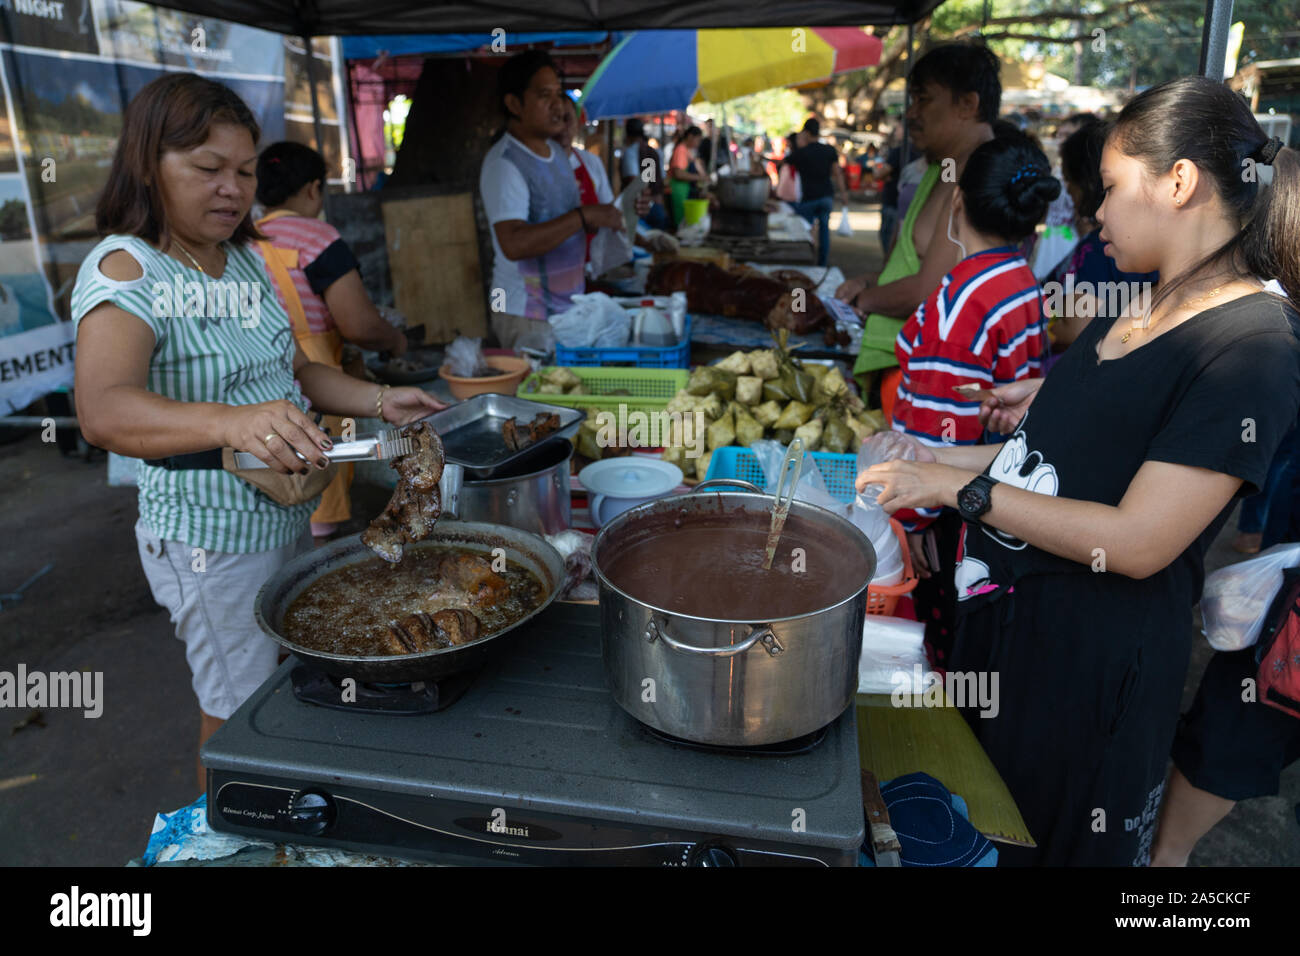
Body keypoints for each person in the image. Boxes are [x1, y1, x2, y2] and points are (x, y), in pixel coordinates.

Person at [859, 75, 1300, 866]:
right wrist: (926, 456)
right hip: (1007, 639)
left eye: (1109, 188)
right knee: (980, 833)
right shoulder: (1134, 304)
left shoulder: (1252, 349)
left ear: (1179, 182)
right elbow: (1040, 456)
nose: (1094, 214)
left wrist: (960, 490)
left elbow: (1138, 540)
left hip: (1088, 681)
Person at [70, 74, 443, 791]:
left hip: (281, 513)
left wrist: (379, 397)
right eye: (206, 169)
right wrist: (231, 420)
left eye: (243, 172)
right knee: (235, 702)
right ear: (149, 165)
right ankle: (225, 829)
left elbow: (295, 367)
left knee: (277, 674)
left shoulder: (241, 257)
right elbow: (103, 410)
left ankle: (282, 800)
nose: (231, 189)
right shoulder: (126, 268)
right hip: (207, 538)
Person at [889, 132, 1056, 667]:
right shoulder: (1020, 280)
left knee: (943, 649)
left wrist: (913, 517)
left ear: (957, 201)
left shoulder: (961, 303)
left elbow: (942, 422)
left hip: (951, 510)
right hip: (994, 492)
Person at [253, 140, 409, 544]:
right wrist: (394, 339)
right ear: (311, 189)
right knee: (323, 472)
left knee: (284, 471)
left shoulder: (244, 242)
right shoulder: (317, 236)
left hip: (264, 374)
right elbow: (358, 324)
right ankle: (322, 553)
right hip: (319, 372)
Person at [836, 43, 1001, 387]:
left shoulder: (978, 178)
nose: (910, 113)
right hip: (901, 368)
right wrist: (867, 281)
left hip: (932, 383)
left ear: (968, 105)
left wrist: (861, 301)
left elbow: (927, 290)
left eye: (923, 99)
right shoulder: (944, 169)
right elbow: (912, 262)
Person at [479, 50, 626, 347]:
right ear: (514, 104)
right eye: (544, 95)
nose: (558, 105)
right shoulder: (505, 163)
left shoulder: (556, 152)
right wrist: (583, 217)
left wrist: (602, 220)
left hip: (566, 307)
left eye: (559, 94)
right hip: (527, 315)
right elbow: (514, 243)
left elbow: (562, 221)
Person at [1044, 119, 1158, 354]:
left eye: (1067, 178)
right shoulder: (1120, 242)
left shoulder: (1102, 246)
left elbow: (1079, 327)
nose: (1066, 188)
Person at [785, 118, 849, 268]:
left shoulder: (802, 152)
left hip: (809, 199)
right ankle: (821, 264)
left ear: (806, 133)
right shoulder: (829, 150)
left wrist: (799, 143)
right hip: (826, 196)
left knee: (807, 231)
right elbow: (837, 173)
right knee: (824, 232)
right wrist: (844, 193)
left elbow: (783, 164)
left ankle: (808, 261)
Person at [620, 117, 669, 230]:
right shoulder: (656, 152)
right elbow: (662, 178)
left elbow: (633, 180)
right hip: (657, 206)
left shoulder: (631, 152)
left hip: (639, 208)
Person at [668, 125, 707, 228]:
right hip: (678, 191)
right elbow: (678, 174)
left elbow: (696, 164)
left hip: (683, 190)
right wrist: (700, 178)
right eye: (697, 140)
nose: (698, 144)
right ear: (690, 137)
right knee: (679, 224)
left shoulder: (686, 150)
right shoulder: (681, 150)